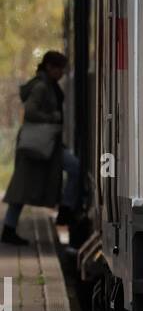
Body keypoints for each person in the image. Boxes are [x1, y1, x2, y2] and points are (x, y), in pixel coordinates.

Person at [2, 51, 81, 246]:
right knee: (21, 189)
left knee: (21, 189)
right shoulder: (41, 86)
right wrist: (52, 118)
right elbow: (30, 111)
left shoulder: (47, 85)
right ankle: (64, 210)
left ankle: (10, 229)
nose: (61, 72)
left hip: (42, 144)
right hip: (38, 144)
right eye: (59, 68)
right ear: (49, 67)